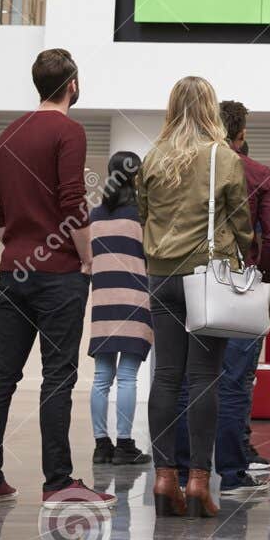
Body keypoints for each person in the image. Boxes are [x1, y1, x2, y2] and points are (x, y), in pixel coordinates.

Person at [0, 48, 113, 511]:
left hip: (13, 272)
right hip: (58, 277)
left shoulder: (8, 132)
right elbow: (74, 201)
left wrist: (19, 244)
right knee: (57, 376)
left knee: (2, 373)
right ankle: (57, 483)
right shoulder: (69, 131)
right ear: (72, 83)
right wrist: (88, 258)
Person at [140, 76, 255, 518]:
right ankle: (198, 481)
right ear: (210, 109)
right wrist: (245, 253)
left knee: (166, 375)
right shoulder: (222, 158)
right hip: (206, 277)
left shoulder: (153, 156)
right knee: (204, 376)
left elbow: (145, 213)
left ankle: (164, 476)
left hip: (161, 275)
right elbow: (240, 221)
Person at [179, 99, 270, 500]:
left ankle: (187, 471)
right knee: (234, 384)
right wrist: (264, 275)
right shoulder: (256, 173)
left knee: (191, 381)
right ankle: (233, 475)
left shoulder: (187, 170)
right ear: (241, 134)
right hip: (240, 288)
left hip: (194, 285)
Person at [88, 151, 153, 468]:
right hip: (135, 301)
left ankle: (101, 447)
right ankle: (125, 445)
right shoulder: (142, 217)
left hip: (102, 302)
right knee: (127, 377)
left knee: (102, 377)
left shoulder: (94, 216)